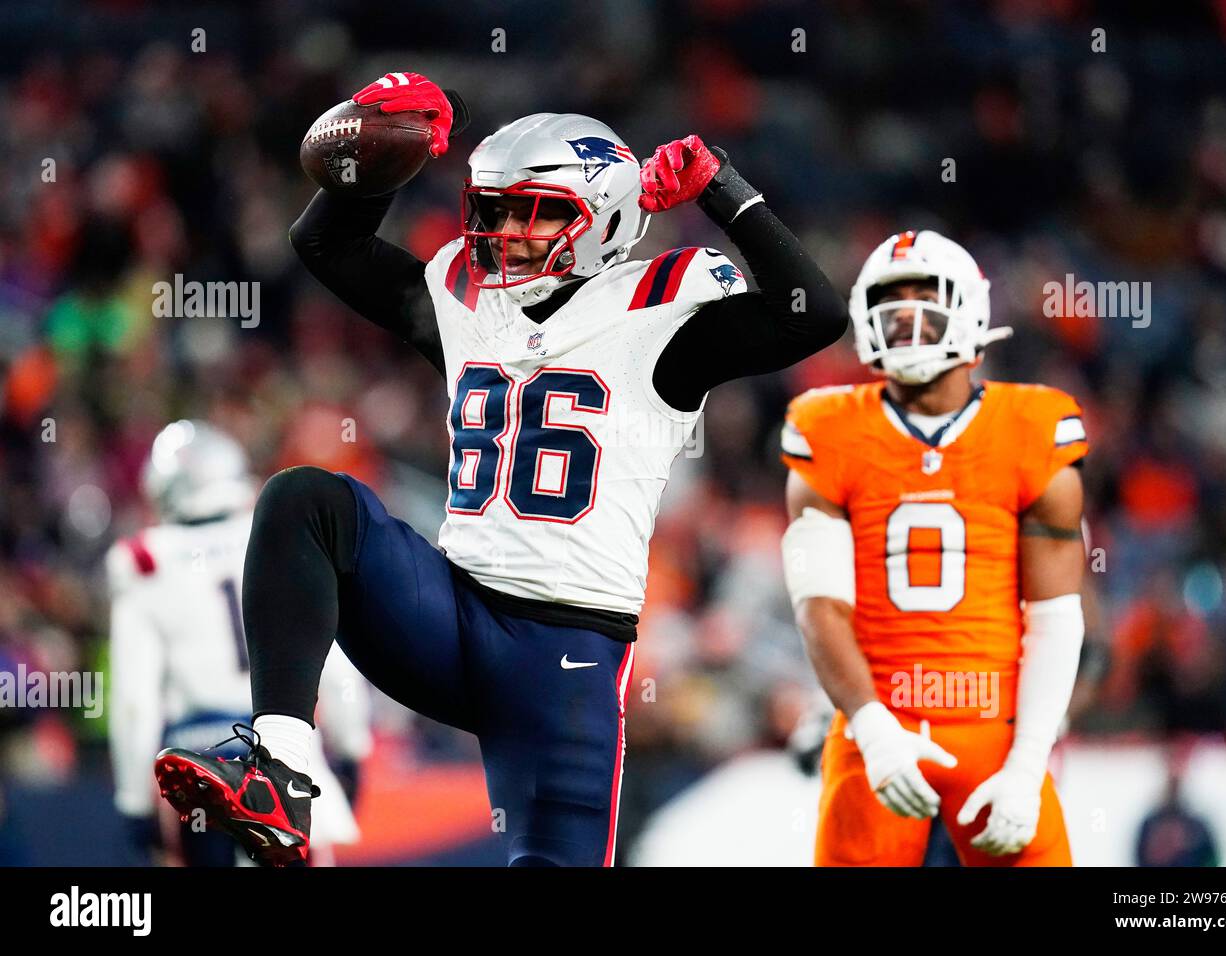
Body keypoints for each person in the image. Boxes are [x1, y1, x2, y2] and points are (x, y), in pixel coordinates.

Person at [155, 72, 847, 866]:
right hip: (450, 617)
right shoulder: (464, 299)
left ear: (608, 220)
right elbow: (326, 243)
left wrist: (725, 191)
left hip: (566, 660)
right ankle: (279, 767)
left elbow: (813, 312)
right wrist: (386, 149)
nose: (508, 230)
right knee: (306, 500)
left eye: (538, 211)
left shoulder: (663, 317)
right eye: (496, 208)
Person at [780, 229, 1086, 865]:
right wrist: (869, 727)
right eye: (892, 299)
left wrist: (1030, 765)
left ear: (970, 309)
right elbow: (819, 609)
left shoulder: (1032, 429)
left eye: (927, 296)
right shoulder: (829, 428)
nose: (906, 314)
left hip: (996, 729)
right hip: (876, 726)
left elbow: (1056, 617)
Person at [111, 421, 369, 866]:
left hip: (198, 767)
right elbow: (331, 657)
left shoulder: (145, 560)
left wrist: (135, 798)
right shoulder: (280, 534)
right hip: (285, 758)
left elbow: (135, 700)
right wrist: (351, 747)